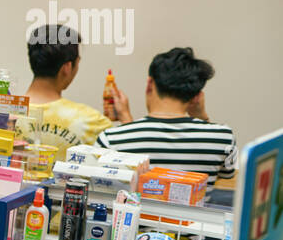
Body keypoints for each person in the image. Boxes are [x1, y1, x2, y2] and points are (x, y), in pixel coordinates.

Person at [96, 47, 237, 182]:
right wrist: (202, 117)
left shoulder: (110, 141)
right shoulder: (223, 139)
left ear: (150, 84)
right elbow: (227, 174)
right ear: (196, 96)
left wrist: (126, 121)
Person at [16, 25, 113, 160]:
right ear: (67, 67)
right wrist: (126, 117)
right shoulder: (92, 122)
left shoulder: (5, 115)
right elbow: (128, 161)